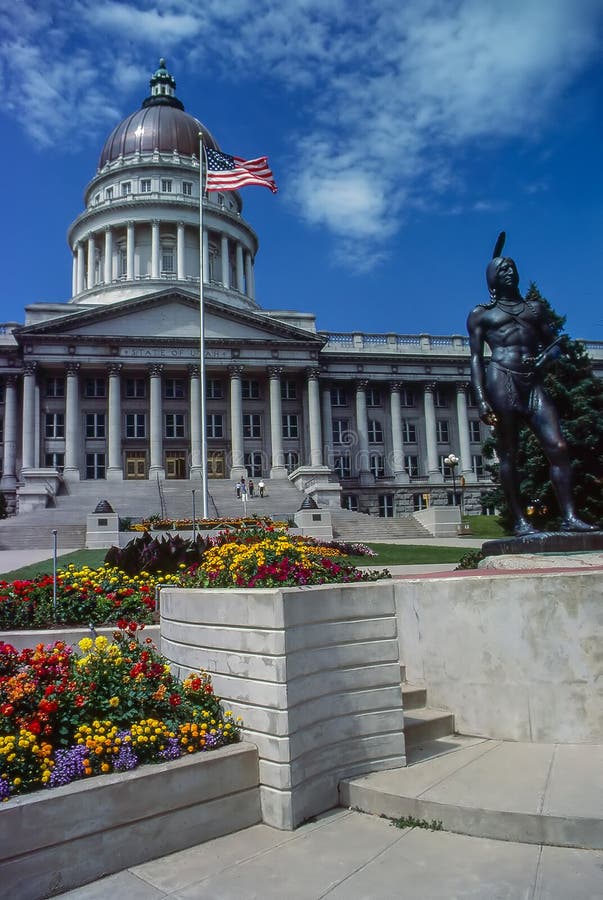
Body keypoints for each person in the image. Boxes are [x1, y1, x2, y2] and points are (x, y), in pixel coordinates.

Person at [467, 233, 597, 537]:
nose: (509, 272)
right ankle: (520, 521)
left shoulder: (533, 310)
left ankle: (569, 516)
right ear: (492, 280)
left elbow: (554, 344)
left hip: (532, 381)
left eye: (512, 267)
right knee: (509, 453)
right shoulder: (482, 314)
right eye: (502, 269)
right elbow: (475, 358)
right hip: (502, 377)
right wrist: (481, 400)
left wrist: (545, 359)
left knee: (558, 447)